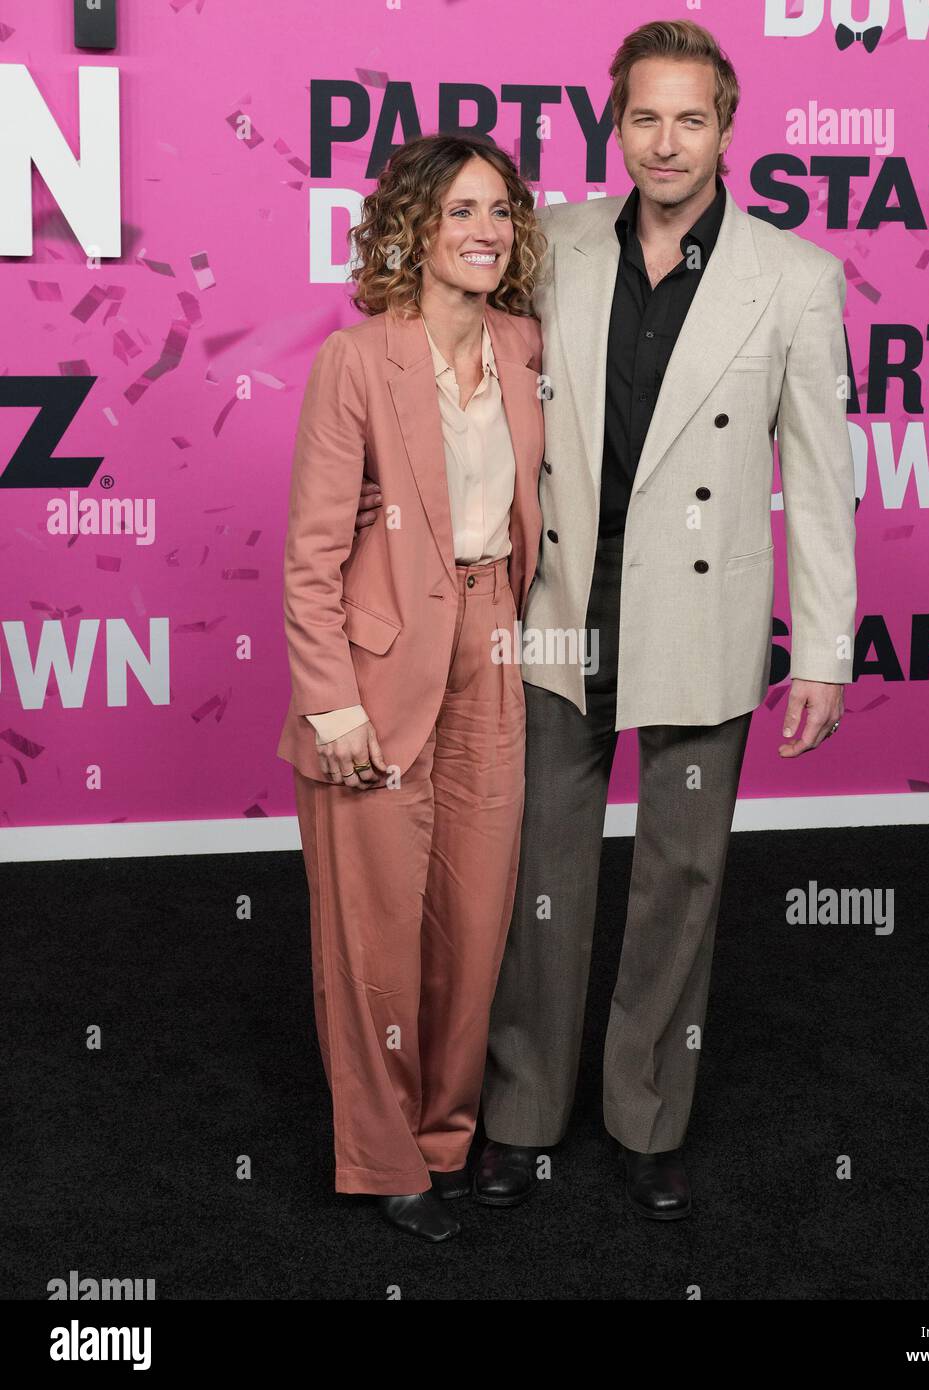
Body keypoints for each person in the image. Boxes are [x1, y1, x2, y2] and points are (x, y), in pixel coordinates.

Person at [354, 19, 857, 1222]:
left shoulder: (794, 279)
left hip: (702, 613)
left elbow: (822, 476)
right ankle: (522, 1117)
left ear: (728, 127)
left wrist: (825, 651)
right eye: (643, 117)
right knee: (539, 872)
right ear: (613, 124)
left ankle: (646, 1116)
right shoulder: (552, 246)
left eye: (690, 118)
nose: (665, 142)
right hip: (558, 609)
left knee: (680, 880)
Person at [276, 132, 546, 1241]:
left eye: (499, 211)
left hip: (496, 651)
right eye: (460, 211)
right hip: (376, 667)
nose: (484, 230)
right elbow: (310, 553)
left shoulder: (525, 345)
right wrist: (330, 700)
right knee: (377, 930)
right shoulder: (358, 360)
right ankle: (384, 1157)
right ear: (414, 230)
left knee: (473, 918)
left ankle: (446, 1134)